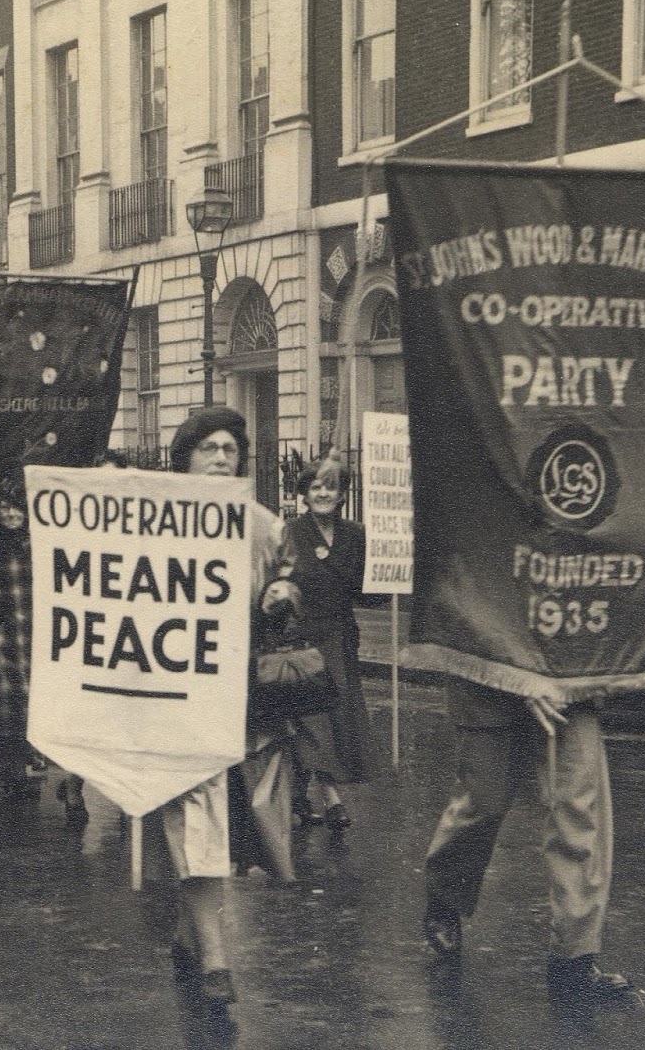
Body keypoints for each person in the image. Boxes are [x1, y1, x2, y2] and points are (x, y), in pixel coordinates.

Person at [420, 602, 638, 1002]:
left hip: (571, 680)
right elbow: (471, 586)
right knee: (483, 804)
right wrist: (522, 679)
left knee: (579, 806)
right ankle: (446, 895)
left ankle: (574, 958)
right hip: (487, 673)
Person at [160, 407, 286, 1009]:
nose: (219, 459)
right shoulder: (153, 523)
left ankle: (192, 935)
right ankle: (215, 960)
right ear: (185, 458)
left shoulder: (264, 527)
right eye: (207, 448)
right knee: (195, 819)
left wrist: (283, 595)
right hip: (176, 696)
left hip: (241, 698)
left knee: (233, 825)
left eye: (230, 449)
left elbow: (282, 591)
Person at [266, 456, 375, 835]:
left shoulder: (355, 535)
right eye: (316, 487)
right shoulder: (290, 533)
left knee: (336, 720)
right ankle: (332, 799)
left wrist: (388, 576)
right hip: (300, 641)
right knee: (314, 723)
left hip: (340, 639)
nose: (323, 493)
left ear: (343, 494)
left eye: (331, 486)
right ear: (305, 494)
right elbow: (274, 585)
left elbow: (366, 594)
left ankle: (297, 796)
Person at [0, 490, 87, 820]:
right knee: (8, 708)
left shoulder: (46, 545)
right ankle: (7, 772)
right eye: (3, 507)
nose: (10, 514)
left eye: (16, 506)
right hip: (1, 639)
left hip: (39, 637)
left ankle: (62, 777)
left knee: (42, 706)